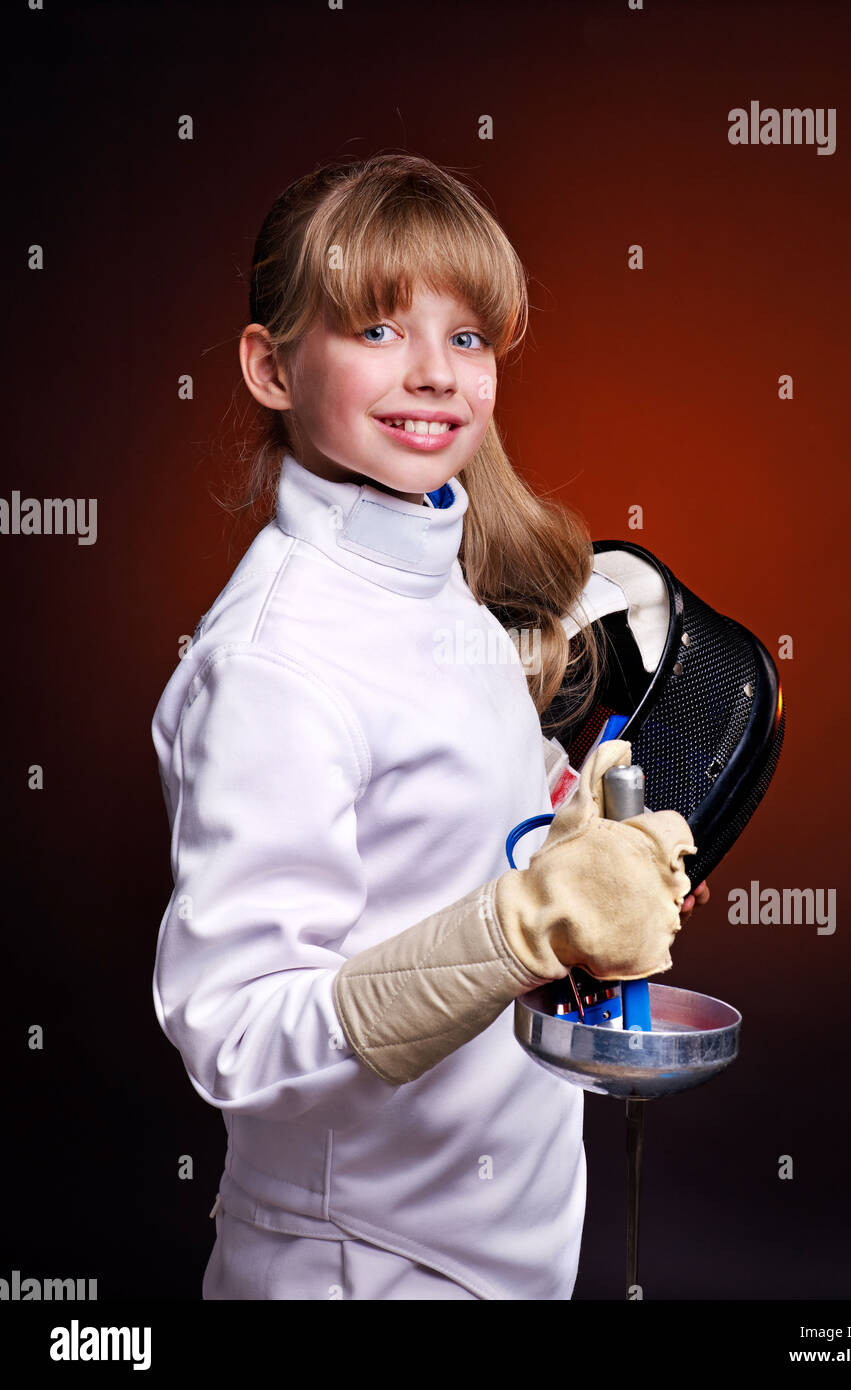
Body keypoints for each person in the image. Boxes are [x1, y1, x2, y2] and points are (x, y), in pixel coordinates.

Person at [150, 152, 707, 1302]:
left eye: (466, 339)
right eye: (374, 329)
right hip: (364, 1266)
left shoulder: (429, 573)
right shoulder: (273, 660)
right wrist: (517, 927)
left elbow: (447, 825)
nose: (433, 375)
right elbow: (238, 1032)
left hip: (504, 1234)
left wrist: (581, 832)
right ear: (270, 365)